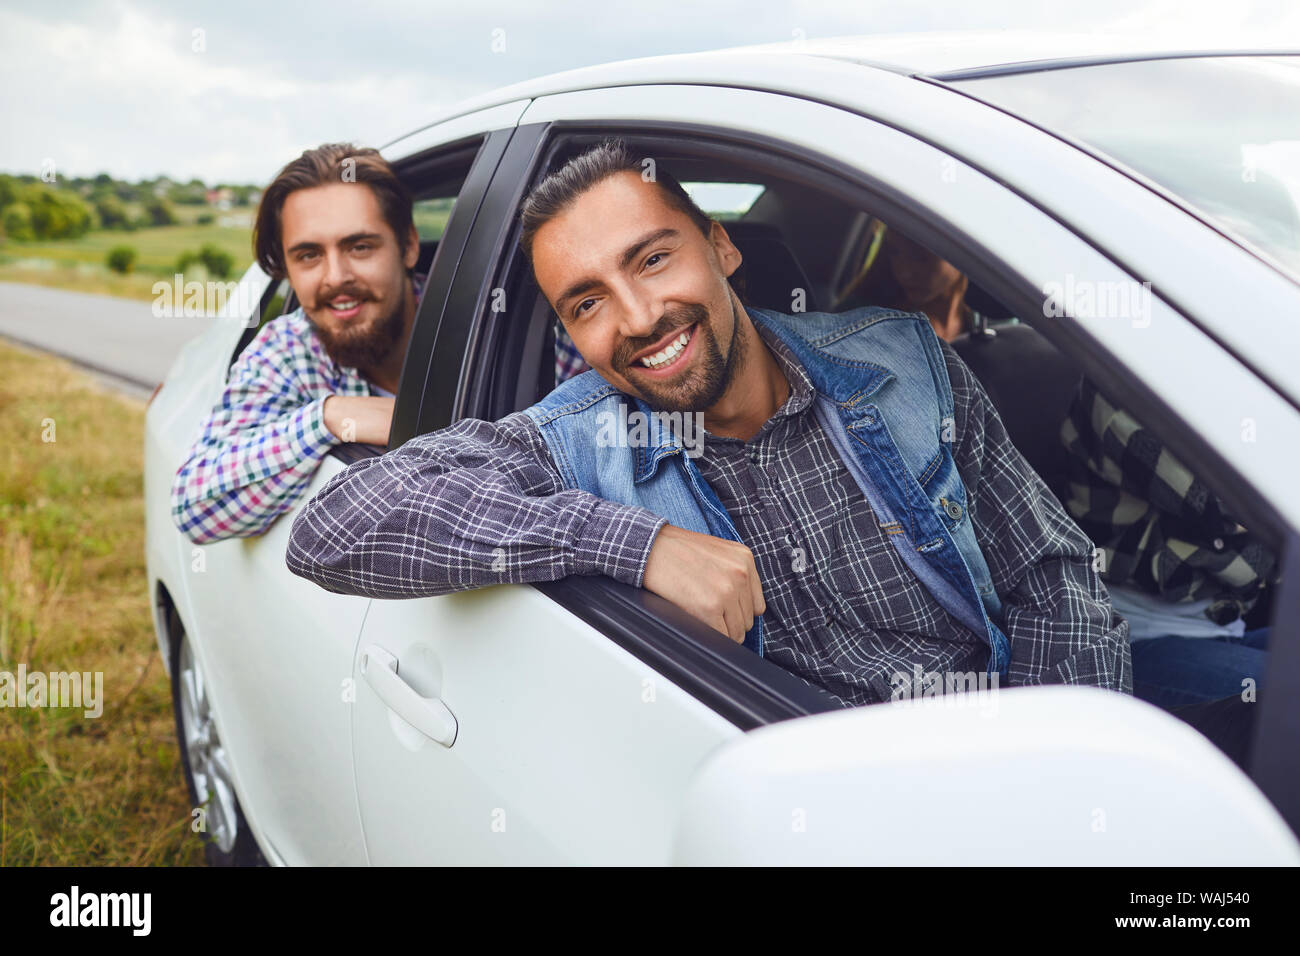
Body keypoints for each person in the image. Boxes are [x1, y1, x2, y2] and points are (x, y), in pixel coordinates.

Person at [284, 137, 1130, 707]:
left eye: (653, 258)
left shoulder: (904, 361)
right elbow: (335, 525)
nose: (640, 315)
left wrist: (1054, 768)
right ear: (570, 333)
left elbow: (1056, 580)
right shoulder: (580, 439)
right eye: (587, 302)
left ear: (722, 249)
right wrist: (636, 544)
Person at [171, 143, 422, 544]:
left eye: (359, 247)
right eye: (308, 255)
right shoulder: (288, 349)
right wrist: (330, 418)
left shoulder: (503, 323)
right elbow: (194, 508)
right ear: (287, 268)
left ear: (408, 246)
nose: (335, 278)